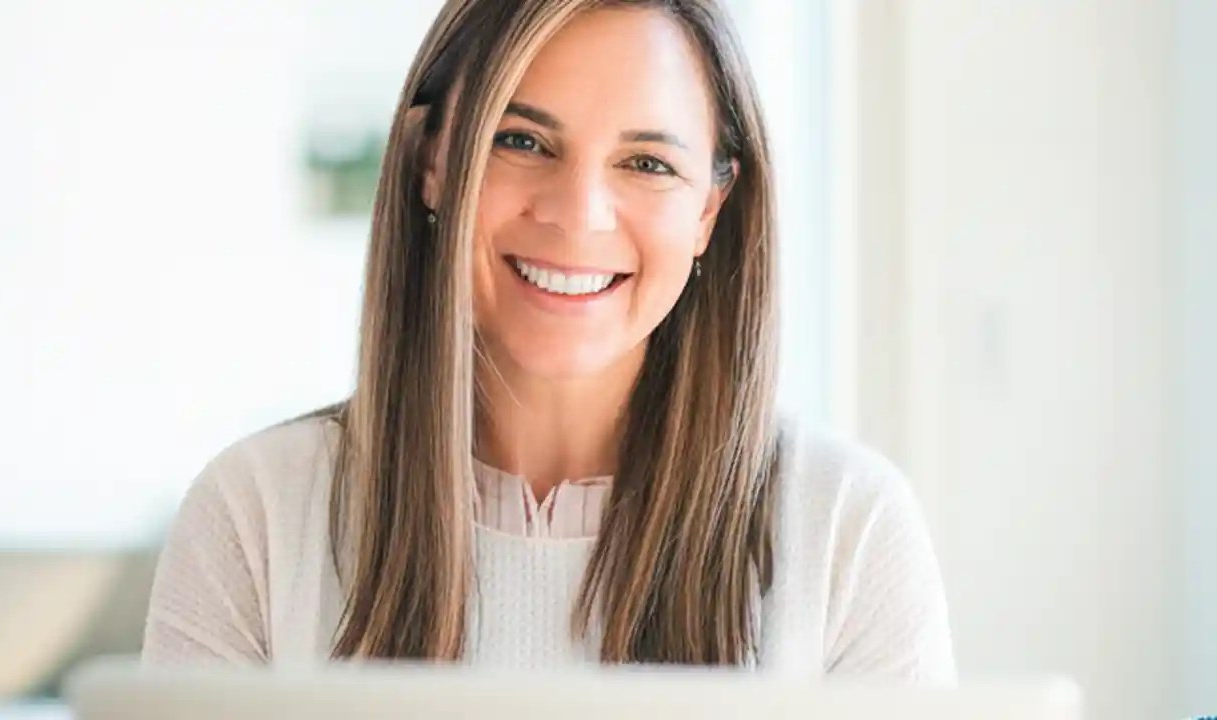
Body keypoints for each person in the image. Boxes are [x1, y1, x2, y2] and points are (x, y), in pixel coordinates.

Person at [142, 0, 956, 682]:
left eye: (647, 163)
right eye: (522, 141)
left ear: (709, 211)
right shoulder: (256, 516)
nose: (577, 216)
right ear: (432, 162)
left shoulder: (845, 531)